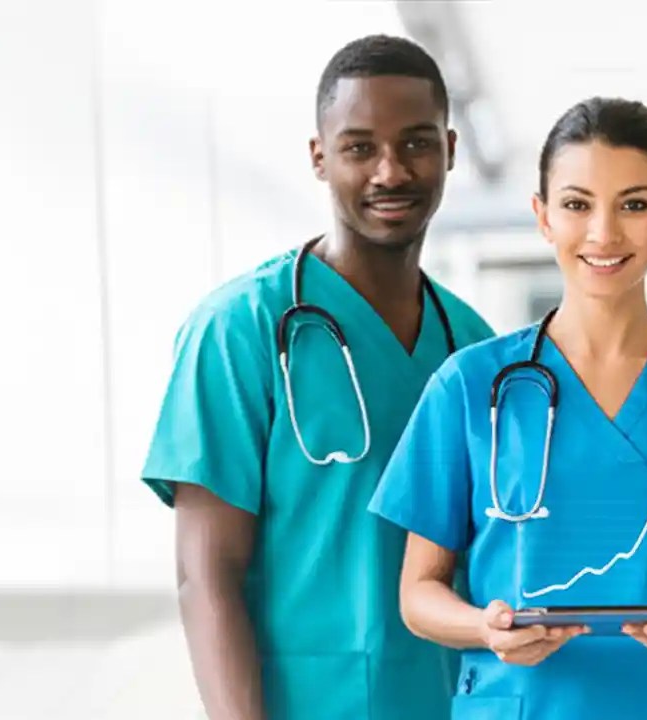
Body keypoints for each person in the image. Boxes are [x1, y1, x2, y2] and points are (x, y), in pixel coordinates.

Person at [367, 97, 647, 720]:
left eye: (634, 204)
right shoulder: (468, 387)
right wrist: (485, 628)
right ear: (543, 216)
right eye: (577, 204)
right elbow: (418, 595)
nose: (604, 233)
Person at [139, 35, 494, 720]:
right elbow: (204, 575)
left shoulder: (473, 348)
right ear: (319, 157)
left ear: (450, 149)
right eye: (360, 147)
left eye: (416, 143)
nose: (390, 170)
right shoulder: (240, 330)